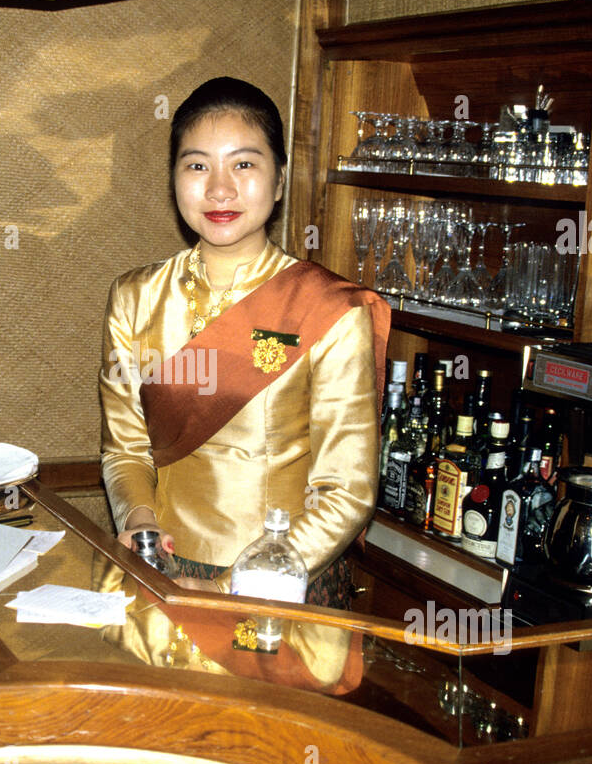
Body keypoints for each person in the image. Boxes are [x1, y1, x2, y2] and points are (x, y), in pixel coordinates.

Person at [99, 76, 389, 611]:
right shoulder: (134, 298)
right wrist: (139, 523)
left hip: (275, 583)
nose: (219, 189)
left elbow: (346, 491)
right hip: (159, 569)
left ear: (279, 181)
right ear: (173, 180)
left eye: (245, 164)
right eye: (197, 165)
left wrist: (230, 586)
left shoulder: (329, 309)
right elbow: (125, 448)